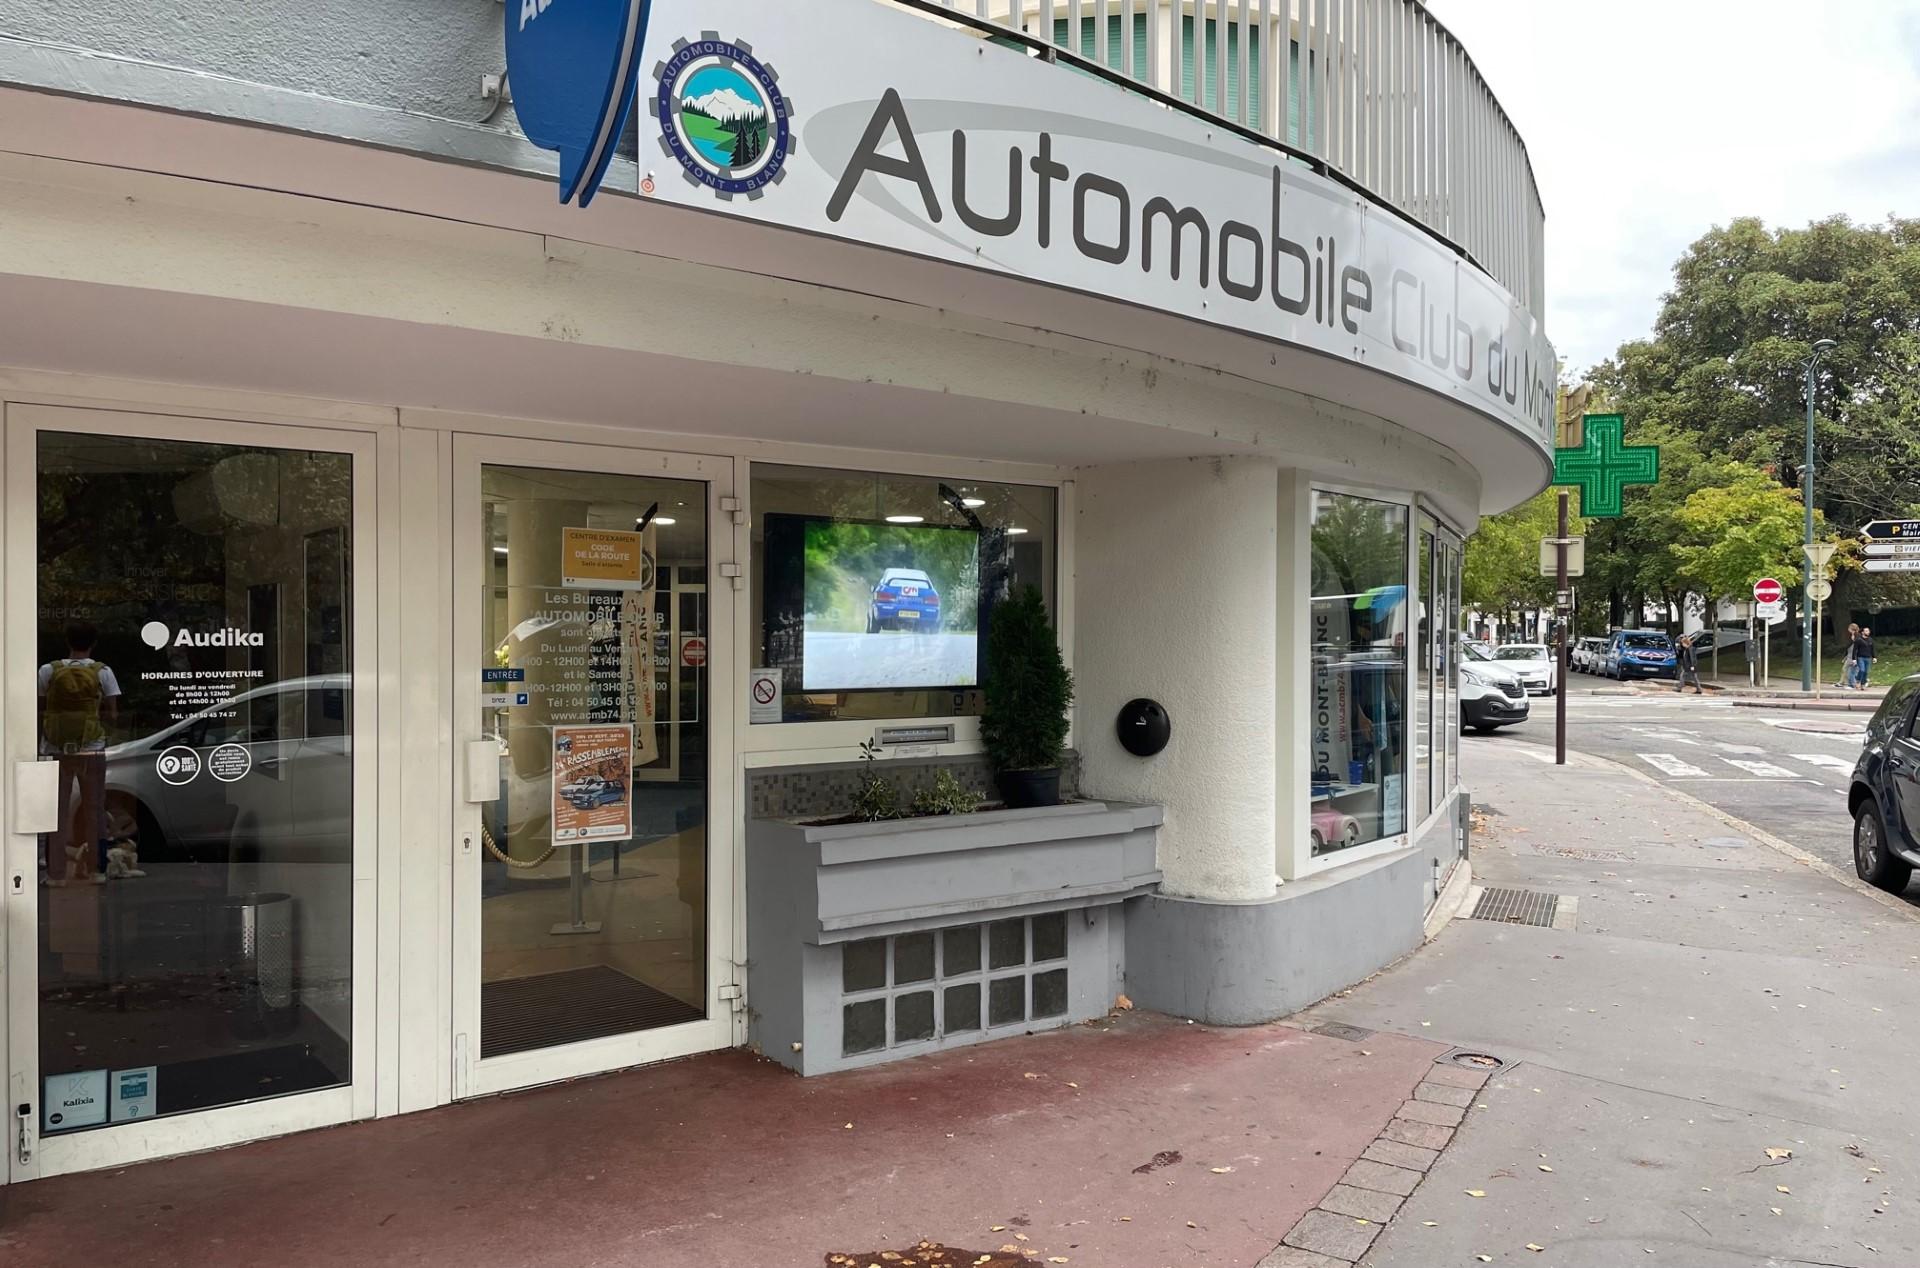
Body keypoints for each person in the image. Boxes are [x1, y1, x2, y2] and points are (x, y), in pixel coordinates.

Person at [38, 620, 121, 885]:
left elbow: (40, 709)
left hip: (55, 749)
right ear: (93, 643)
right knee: (94, 810)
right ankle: (97, 870)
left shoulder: (48, 670)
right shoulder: (103, 671)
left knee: (57, 811)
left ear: (67, 641)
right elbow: (114, 713)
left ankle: (56, 874)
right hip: (92, 750)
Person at [1839, 622, 1860, 688]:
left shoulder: (1856, 636)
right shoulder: (1852, 635)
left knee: (1849, 670)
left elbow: (1855, 646)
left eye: (1849, 628)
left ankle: (1851, 683)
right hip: (1850, 655)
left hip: (1853, 656)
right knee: (1848, 669)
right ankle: (1844, 682)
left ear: (1852, 629)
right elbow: (1849, 647)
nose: (1848, 630)